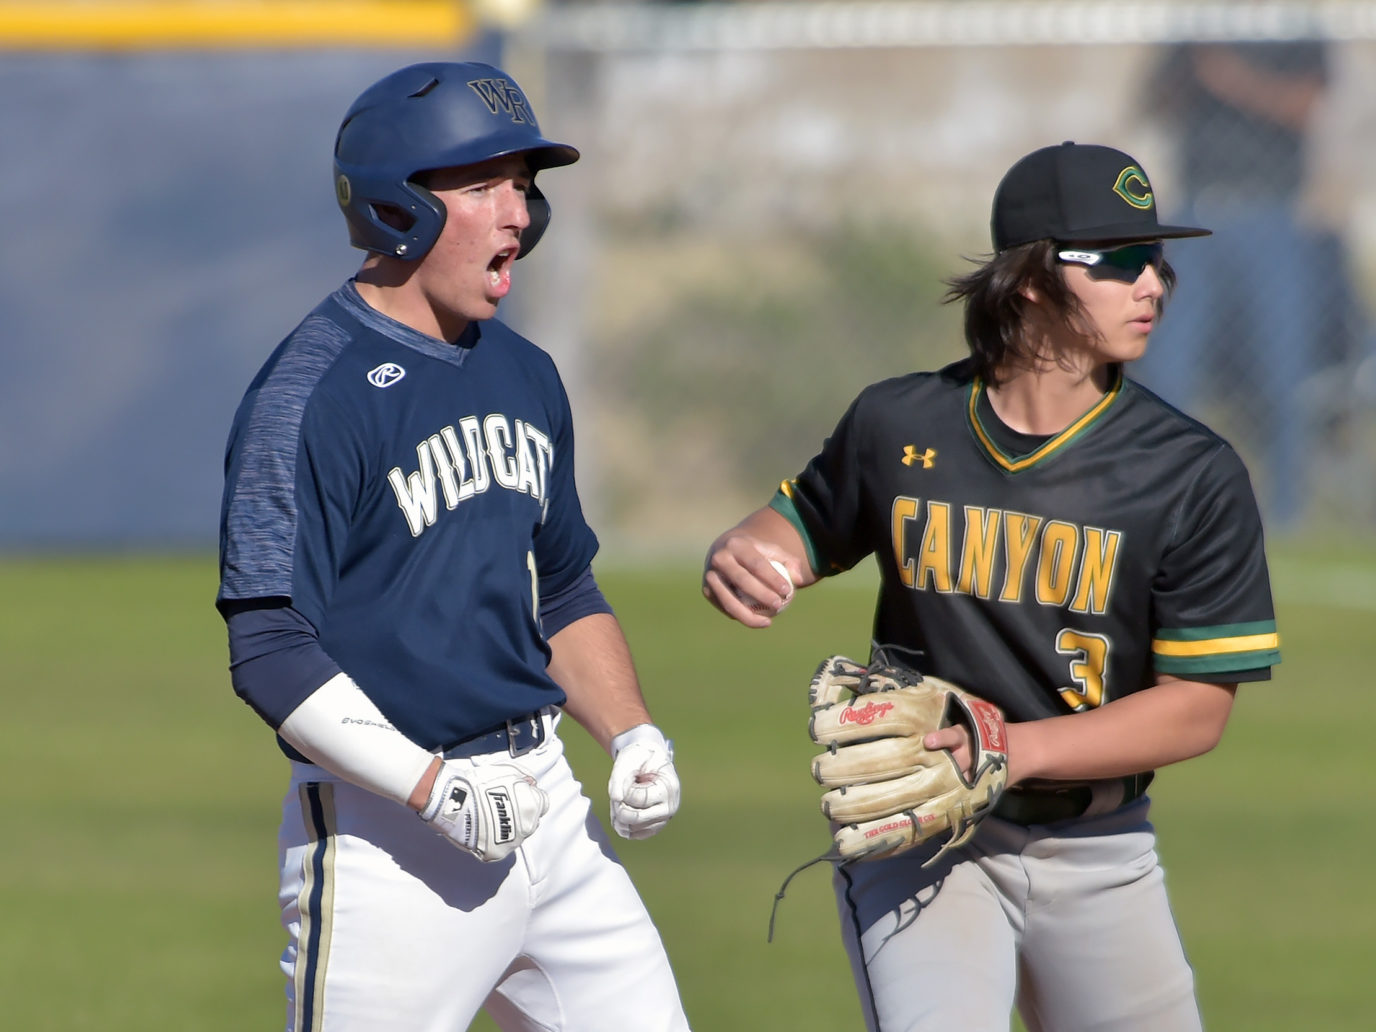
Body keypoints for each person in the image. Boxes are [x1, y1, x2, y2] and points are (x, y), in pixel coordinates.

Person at [702, 141, 1280, 1031]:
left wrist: (1010, 746)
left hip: (1100, 851)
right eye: (1120, 260)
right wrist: (749, 551)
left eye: (1156, 258)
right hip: (926, 841)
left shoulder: (1190, 473)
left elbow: (1196, 709)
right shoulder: (899, 424)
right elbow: (799, 527)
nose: (1154, 283)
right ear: (1035, 280)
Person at [216, 62, 691, 1032]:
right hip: (388, 841)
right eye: (483, 186)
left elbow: (560, 589)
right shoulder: (309, 396)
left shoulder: (524, 372)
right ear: (399, 210)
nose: (519, 211)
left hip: (548, 814)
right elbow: (268, 647)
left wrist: (630, 732)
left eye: (524, 184)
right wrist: (430, 788)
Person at [1134, 39, 1363, 530]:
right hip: (1197, 217)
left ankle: (1285, 515)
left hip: (1272, 217)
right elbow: (1154, 102)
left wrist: (1231, 80)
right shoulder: (1199, 26)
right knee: (1169, 370)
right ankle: (1168, 508)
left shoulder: (1293, 28)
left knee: (1285, 373)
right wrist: (1191, 75)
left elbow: (1306, 106)